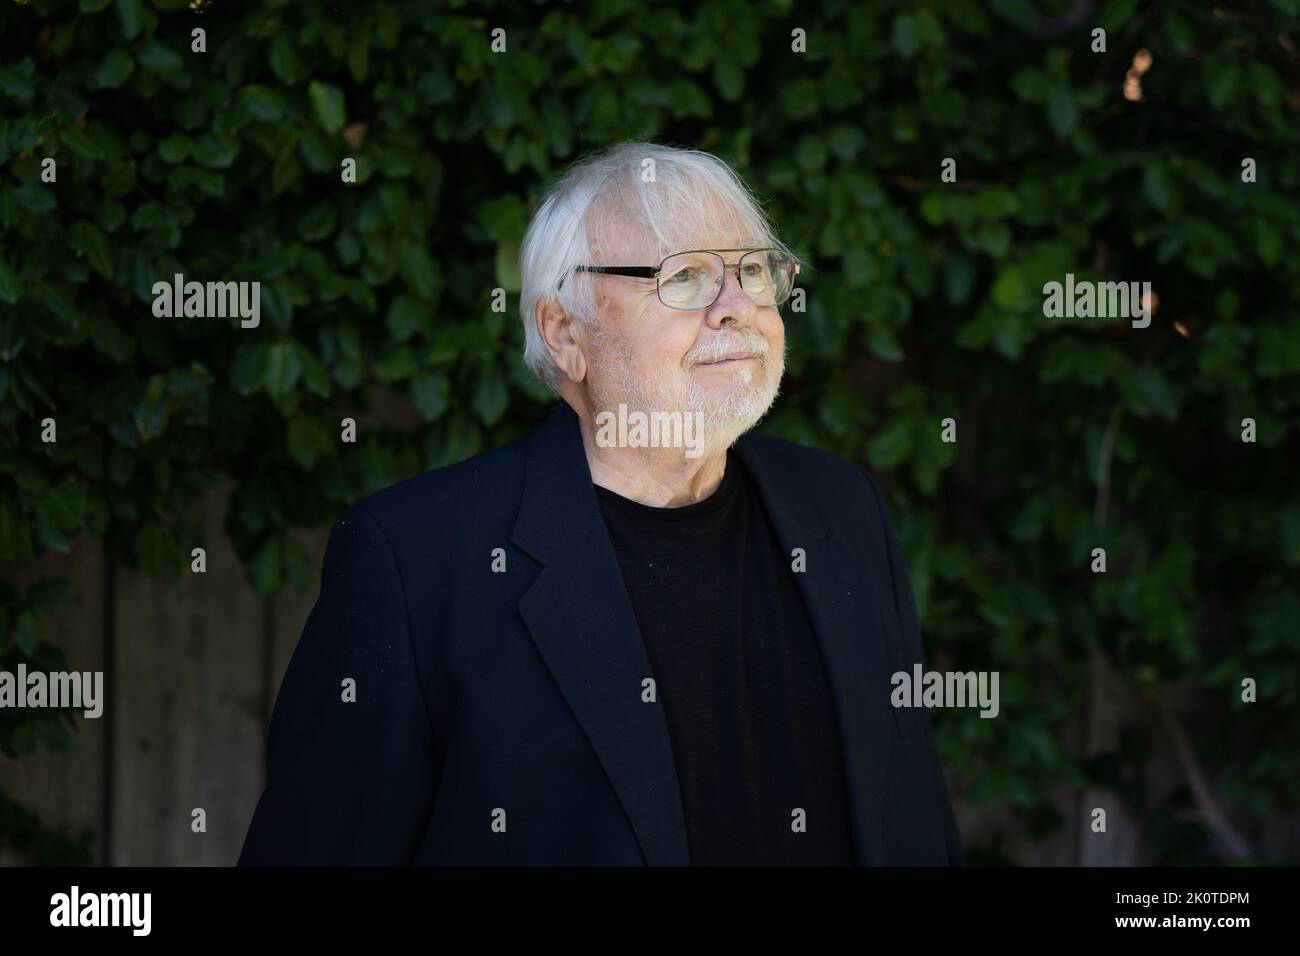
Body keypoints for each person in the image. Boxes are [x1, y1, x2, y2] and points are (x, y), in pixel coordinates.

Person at [238, 140, 964, 866]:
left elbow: (912, 821)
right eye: (685, 279)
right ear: (566, 335)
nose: (737, 307)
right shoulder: (417, 563)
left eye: (752, 271)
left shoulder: (841, 509)